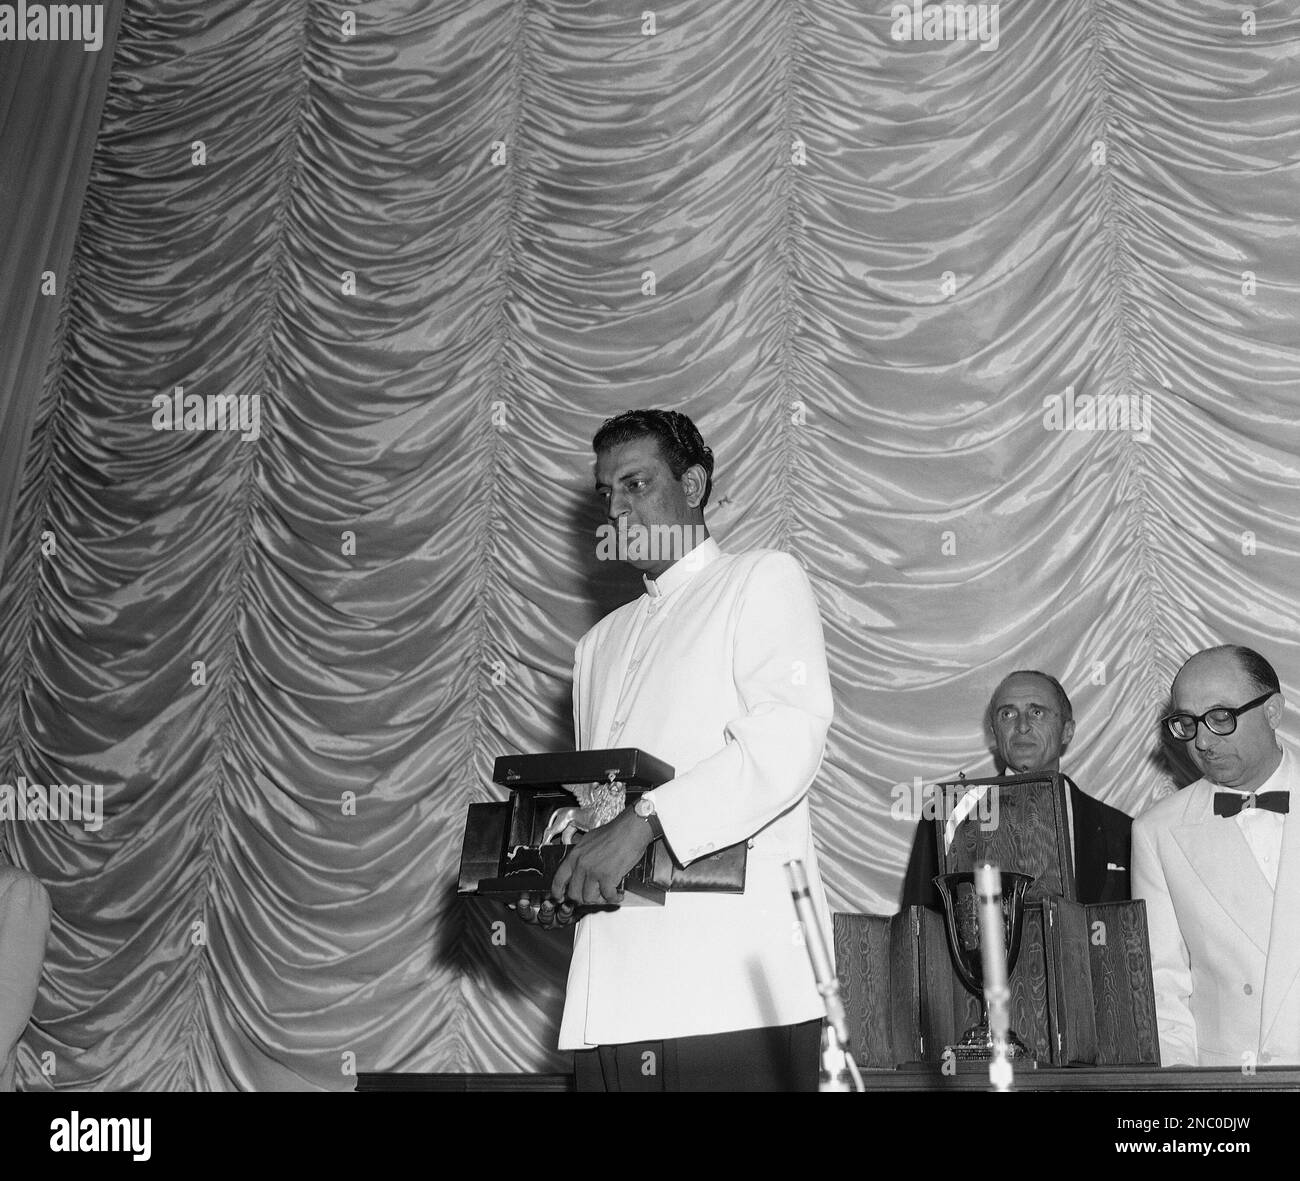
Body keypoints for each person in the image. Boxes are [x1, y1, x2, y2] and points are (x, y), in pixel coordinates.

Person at [547, 409, 834, 1091]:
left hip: (730, 990)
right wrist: (565, 865)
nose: (617, 509)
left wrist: (644, 822)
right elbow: (599, 802)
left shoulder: (762, 578)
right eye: (606, 494)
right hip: (609, 993)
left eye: (637, 484)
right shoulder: (596, 646)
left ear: (695, 483)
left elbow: (786, 738)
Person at [1133, 645, 1300, 1067]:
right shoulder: (1156, 831)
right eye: (1186, 723)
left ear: (1273, 712)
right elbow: (1161, 986)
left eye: (1221, 718)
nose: (1202, 742)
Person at [901, 670, 1132, 908]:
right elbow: (917, 929)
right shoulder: (945, 819)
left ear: (1067, 730)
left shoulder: (1123, 832)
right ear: (994, 732)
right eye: (1008, 714)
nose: (1022, 726)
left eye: (1037, 712)